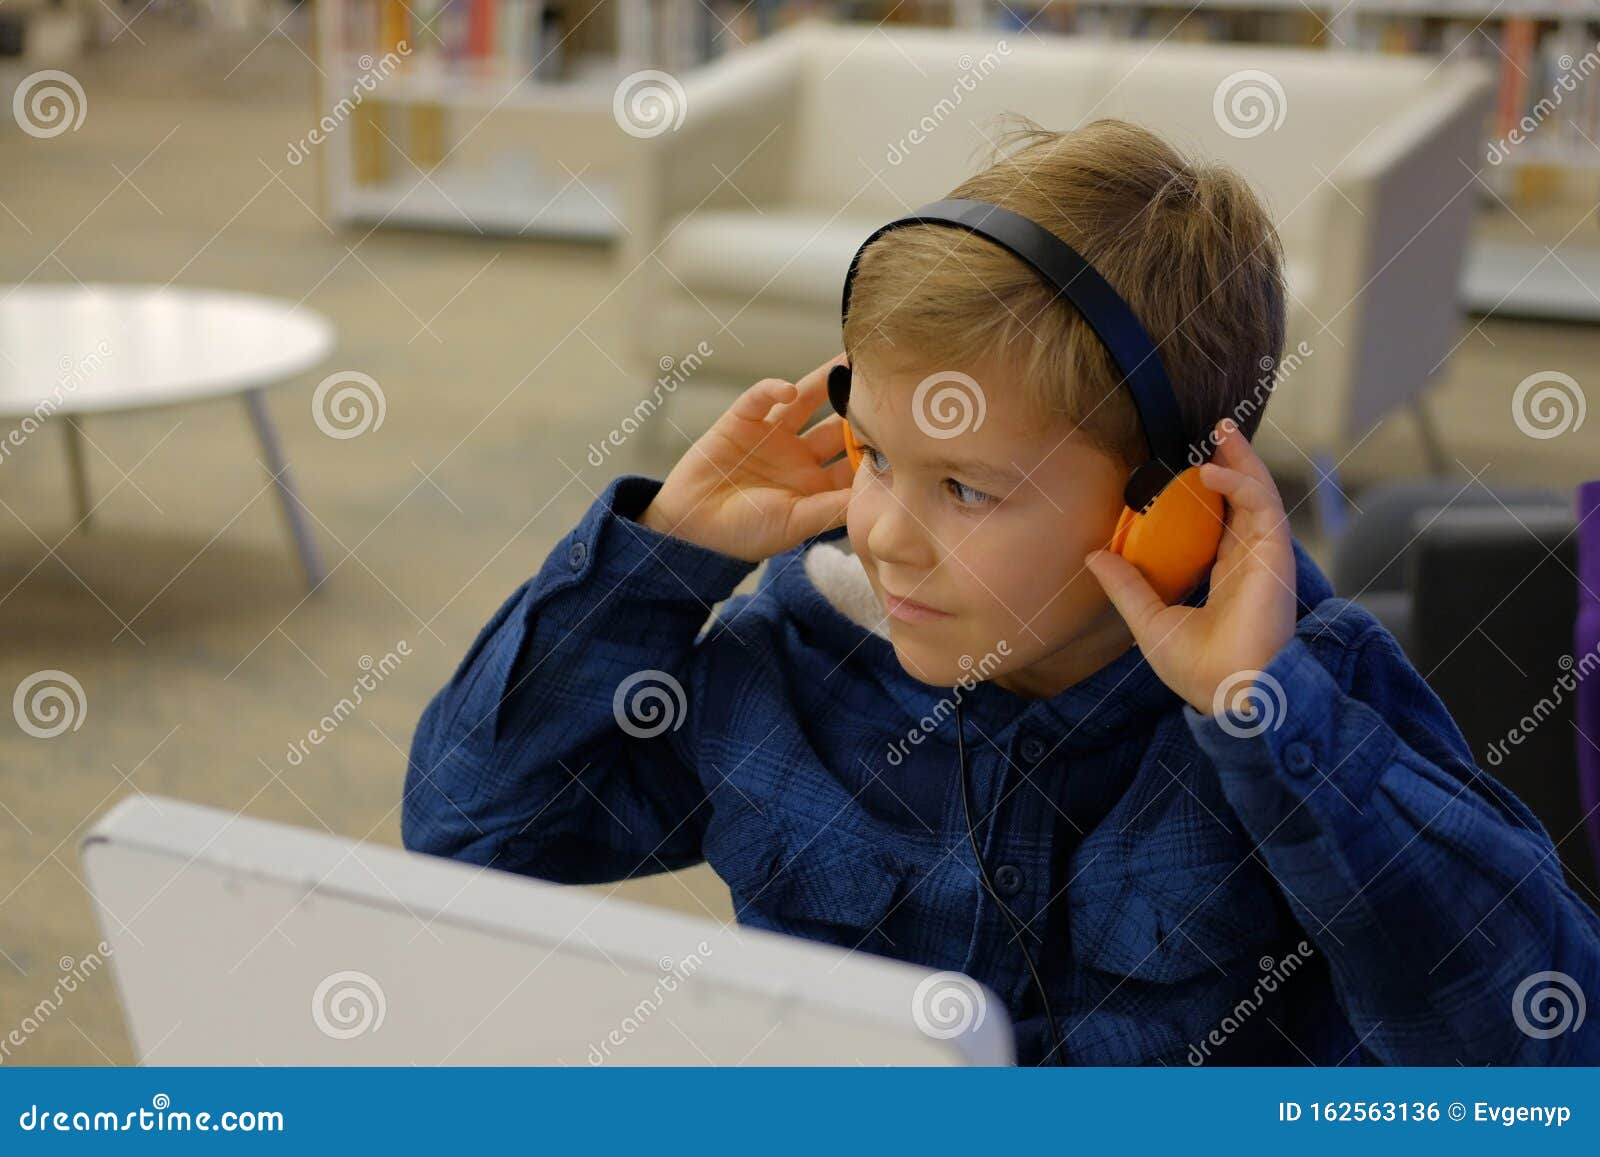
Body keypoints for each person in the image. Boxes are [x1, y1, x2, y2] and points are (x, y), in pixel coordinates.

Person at [403, 118, 1600, 1065]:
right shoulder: (794, 652)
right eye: (874, 455)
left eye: (965, 488)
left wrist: (1267, 721)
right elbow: (470, 837)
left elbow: (1535, 1056)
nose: (884, 536)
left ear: (1168, 507)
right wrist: (663, 556)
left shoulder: (1303, 695)